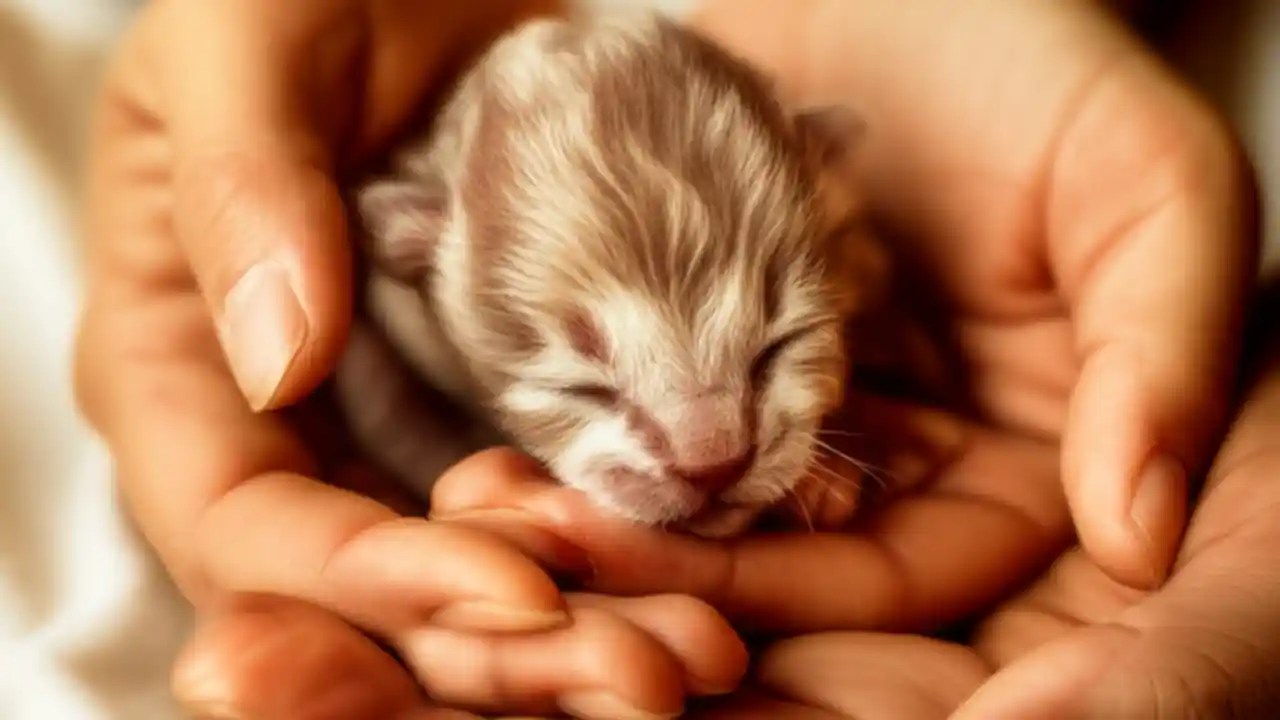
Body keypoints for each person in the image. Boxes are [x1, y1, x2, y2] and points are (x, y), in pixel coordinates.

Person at [73, 0, 1273, 717]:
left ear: (830, 180)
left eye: (779, 342)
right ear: (407, 248)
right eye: (591, 380)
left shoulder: (851, 222)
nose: (711, 454)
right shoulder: (390, 281)